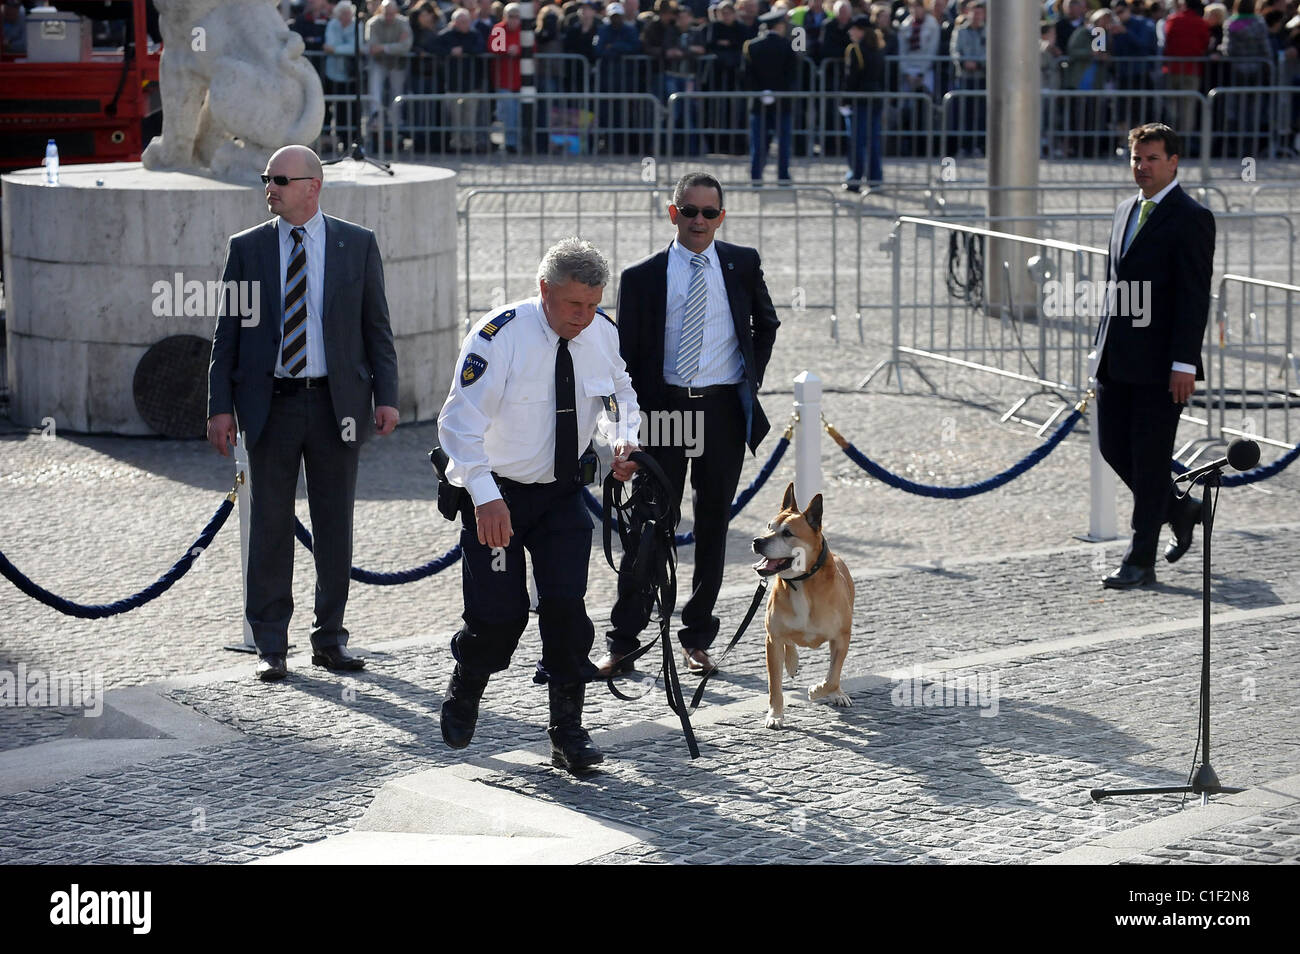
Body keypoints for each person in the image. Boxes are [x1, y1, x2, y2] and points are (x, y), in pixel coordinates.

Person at [436, 238, 642, 772]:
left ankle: (567, 731)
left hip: (561, 495)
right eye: (575, 304)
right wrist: (484, 497)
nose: (585, 316)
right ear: (544, 290)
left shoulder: (601, 333)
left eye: (594, 303)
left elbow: (619, 393)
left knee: (567, 613)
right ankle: (467, 682)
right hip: (496, 491)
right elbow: (458, 426)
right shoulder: (498, 336)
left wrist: (622, 440)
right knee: (499, 619)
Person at [206, 145, 400, 680]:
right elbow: (227, 335)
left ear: (313, 186)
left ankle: (330, 638)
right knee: (269, 524)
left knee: (334, 525)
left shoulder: (355, 244)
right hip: (271, 405)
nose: (270, 187)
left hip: (338, 405)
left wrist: (386, 396)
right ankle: (271, 643)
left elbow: (376, 327)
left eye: (281, 179)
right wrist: (219, 406)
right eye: (266, 178)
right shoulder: (246, 249)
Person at [596, 172, 780, 677]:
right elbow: (625, 360)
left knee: (715, 524)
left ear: (722, 216)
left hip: (721, 410)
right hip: (666, 410)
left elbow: (766, 324)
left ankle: (698, 635)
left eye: (711, 212)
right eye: (691, 211)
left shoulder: (742, 263)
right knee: (648, 524)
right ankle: (625, 638)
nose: (700, 221)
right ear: (672, 212)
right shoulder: (642, 276)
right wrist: (626, 432)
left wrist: (750, 378)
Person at [1092, 123, 1215, 589]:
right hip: (1116, 359)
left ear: (1173, 162)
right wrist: (1100, 346)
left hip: (1162, 367)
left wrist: (1184, 363)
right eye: (1136, 159)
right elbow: (1115, 288)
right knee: (1112, 447)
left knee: (1150, 457)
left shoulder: (1191, 216)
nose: (1141, 167)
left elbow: (1193, 296)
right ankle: (1180, 508)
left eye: (1151, 159)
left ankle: (1140, 558)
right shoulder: (1125, 209)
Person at [742, 8, 799, 184]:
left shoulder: (751, 46)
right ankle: (783, 177)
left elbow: (746, 76)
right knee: (783, 142)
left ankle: (756, 176)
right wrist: (777, 92)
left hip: (759, 101)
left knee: (758, 142)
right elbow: (792, 77)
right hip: (783, 101)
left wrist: (762, 92)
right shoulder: (788, 46)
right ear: (780, 26)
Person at [842, 13, 885, 191]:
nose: (850, 31)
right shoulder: (877, 49)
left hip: (859, 99)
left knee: (857, 142)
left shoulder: (855, 50)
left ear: (861, 31)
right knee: (872, 142)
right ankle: (875, 179)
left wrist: (844, 100)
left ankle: (855, 178)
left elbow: (851, 78)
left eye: (853, 28)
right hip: (875, 98)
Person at [365, 0, 413, 148]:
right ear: (381, 11)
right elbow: (372, 47)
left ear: (396, 12)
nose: (389, 17)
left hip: (397, 65)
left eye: (392, 14)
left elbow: (405, 46)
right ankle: (375, 119)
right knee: (375, 89)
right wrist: (394, 46)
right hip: (378, 64)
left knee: (397, 95)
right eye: (386, 13)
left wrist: (384, 48)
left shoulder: (403, 22)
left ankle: (395, 124)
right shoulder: (373, 23)